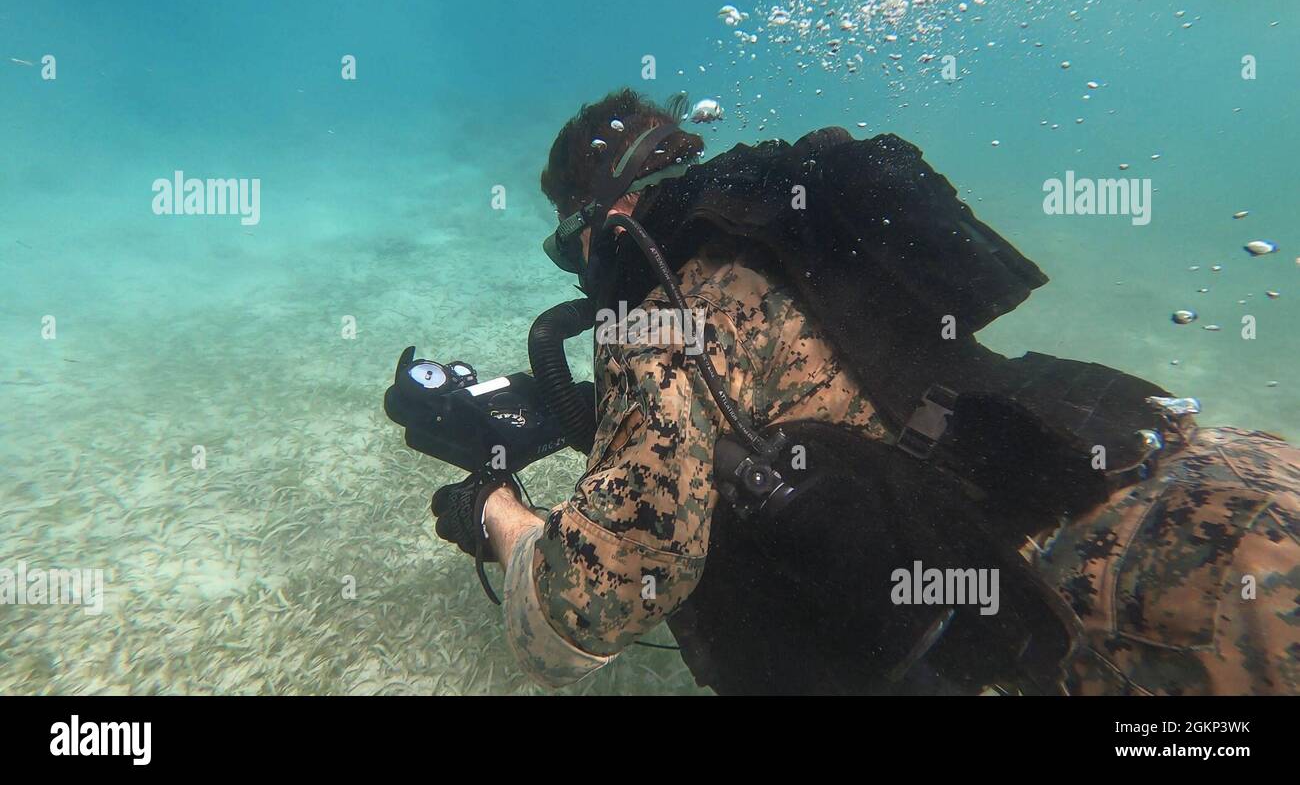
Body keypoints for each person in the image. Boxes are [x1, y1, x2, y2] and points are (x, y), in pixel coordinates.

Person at [431, 89, 1300, 695]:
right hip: (1221, 465)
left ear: (605, 223)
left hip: (1140, 598)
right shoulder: (799, 221)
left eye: (566, 249)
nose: (580, 275)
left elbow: (592, 603)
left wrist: (498, 514)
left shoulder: (663, 311)